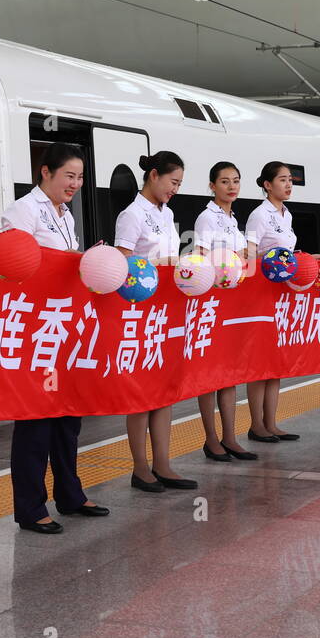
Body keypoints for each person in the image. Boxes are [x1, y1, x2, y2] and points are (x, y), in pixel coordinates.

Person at [1, 143, 107, 533]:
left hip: (63, 326)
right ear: (45, 172)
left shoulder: (65, 215)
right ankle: (30, 507)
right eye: (69, 176)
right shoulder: (22, 211)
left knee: (67, 413)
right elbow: (12, 263)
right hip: (34, 329)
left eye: (80, 178)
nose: (75, 184)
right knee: (35, 419)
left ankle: (71, 493)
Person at [114, 150, 195, 492]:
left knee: (165, 391)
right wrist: (154, 266)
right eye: (172, 182)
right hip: (141, 312)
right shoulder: (131, 215)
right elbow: (121, 263)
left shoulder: (167, 212)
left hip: (167, 311)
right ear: (154, 176)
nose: (175, 189)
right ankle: (140, 466)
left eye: (179, 184)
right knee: (142, 393)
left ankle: (163, 462)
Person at [193, 162, 256, 462]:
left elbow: (245, 258)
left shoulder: (233, 219)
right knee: (210, 375)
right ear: (212, 186)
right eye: (224, 181)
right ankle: (211, 439)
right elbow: (200, 260)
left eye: (236, 181)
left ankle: (230, 436)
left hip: (234, 305)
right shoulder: (208, 218)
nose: (231, 186)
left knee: (230, 373)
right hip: (212, 304)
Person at [244, 161, 302, 444]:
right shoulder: (259, 215)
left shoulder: (285, 214)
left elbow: (284, 253)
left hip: (281, 295)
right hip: (261, 294)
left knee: (276, 361)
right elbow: (251, 256)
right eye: (282, 180)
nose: (288, 184)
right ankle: (256, 425)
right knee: (260, 362)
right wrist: (276, 264)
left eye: (290, 180)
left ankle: (272, 422)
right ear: (267, 185)